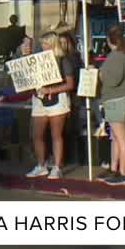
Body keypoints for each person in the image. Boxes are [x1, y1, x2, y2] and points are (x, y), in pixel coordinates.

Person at [22, 32, 77, 180]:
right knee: (37, 135)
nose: (43, 46)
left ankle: (57, 167)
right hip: (39, 99)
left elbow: (70, 84)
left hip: (58, 100)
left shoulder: (63, 60)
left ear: (53, 44)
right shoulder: (38, 59)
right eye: (42, 44)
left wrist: (51, 90)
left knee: (56, 135)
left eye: (45, 44)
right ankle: (41, 165)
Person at [96, 25, 125, 185]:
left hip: (116, 99)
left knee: (120, 138)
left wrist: (100, 74)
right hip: (123, 98)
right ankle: (114, 169)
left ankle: (123, 173)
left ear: (109, 41)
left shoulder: (116, 56)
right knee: (115, 137)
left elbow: (114, 80)